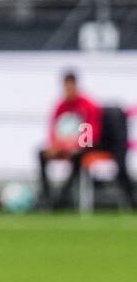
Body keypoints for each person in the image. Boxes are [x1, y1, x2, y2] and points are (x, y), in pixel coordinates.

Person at [38, 71, 104, 209]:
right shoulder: (61, 106)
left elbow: (91, 133)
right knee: (41, 154)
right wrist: (55, 146)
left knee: (77, 157)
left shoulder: (87, 105)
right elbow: (53, 130)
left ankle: (62, 198)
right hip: (63, 147)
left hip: (82, 147)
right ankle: (46, 196)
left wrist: (74, 145)